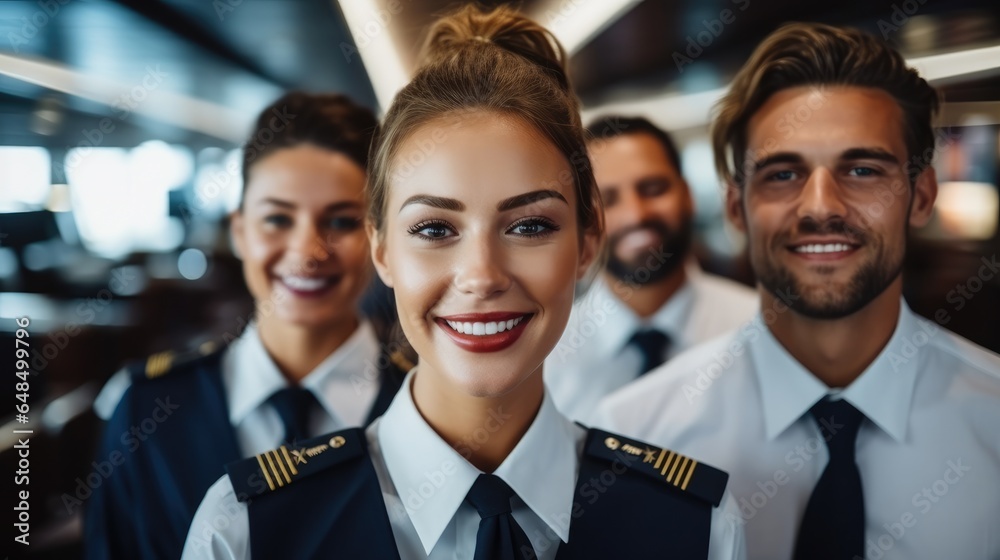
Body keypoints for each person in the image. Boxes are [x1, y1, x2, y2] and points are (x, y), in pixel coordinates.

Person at [181, 6, 745, 559]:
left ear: (588, 241)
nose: (481, 276)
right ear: (381, 249)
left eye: (529, 225)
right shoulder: (245, 529)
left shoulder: (699, 527)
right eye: (434, 228)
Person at [594, 22, 1000, 560]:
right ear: (737, 207)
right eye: (783, 174)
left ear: (921, 196)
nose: (820, 207)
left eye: (861, 169)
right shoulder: (637, 434)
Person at [85, 92, 410, 560]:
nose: (306, 251)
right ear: (240, 232)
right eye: (277, 218)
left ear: (378, 237)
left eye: (341, 220)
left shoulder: (427, 406)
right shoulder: (145, 409)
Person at [544, 115, 757, 421]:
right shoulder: (546, 357)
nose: (636, 214)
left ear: (687, 195)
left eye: (654, 188)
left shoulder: (757, 329)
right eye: (608, 199)